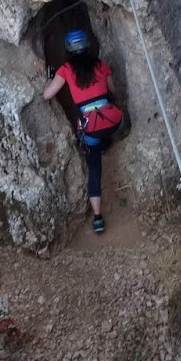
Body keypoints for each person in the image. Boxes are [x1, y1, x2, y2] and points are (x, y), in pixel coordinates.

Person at [42, 29, 124, 234]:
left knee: (94, 165)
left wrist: (50, 78)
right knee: (106, 128)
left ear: (68, 49)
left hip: (91, 129)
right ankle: (108, 141)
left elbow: (47, 95)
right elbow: (113, 91)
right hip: (114, 122)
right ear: (87, 46)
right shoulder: (101, 64)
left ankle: (97, 218)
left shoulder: (66, 70)